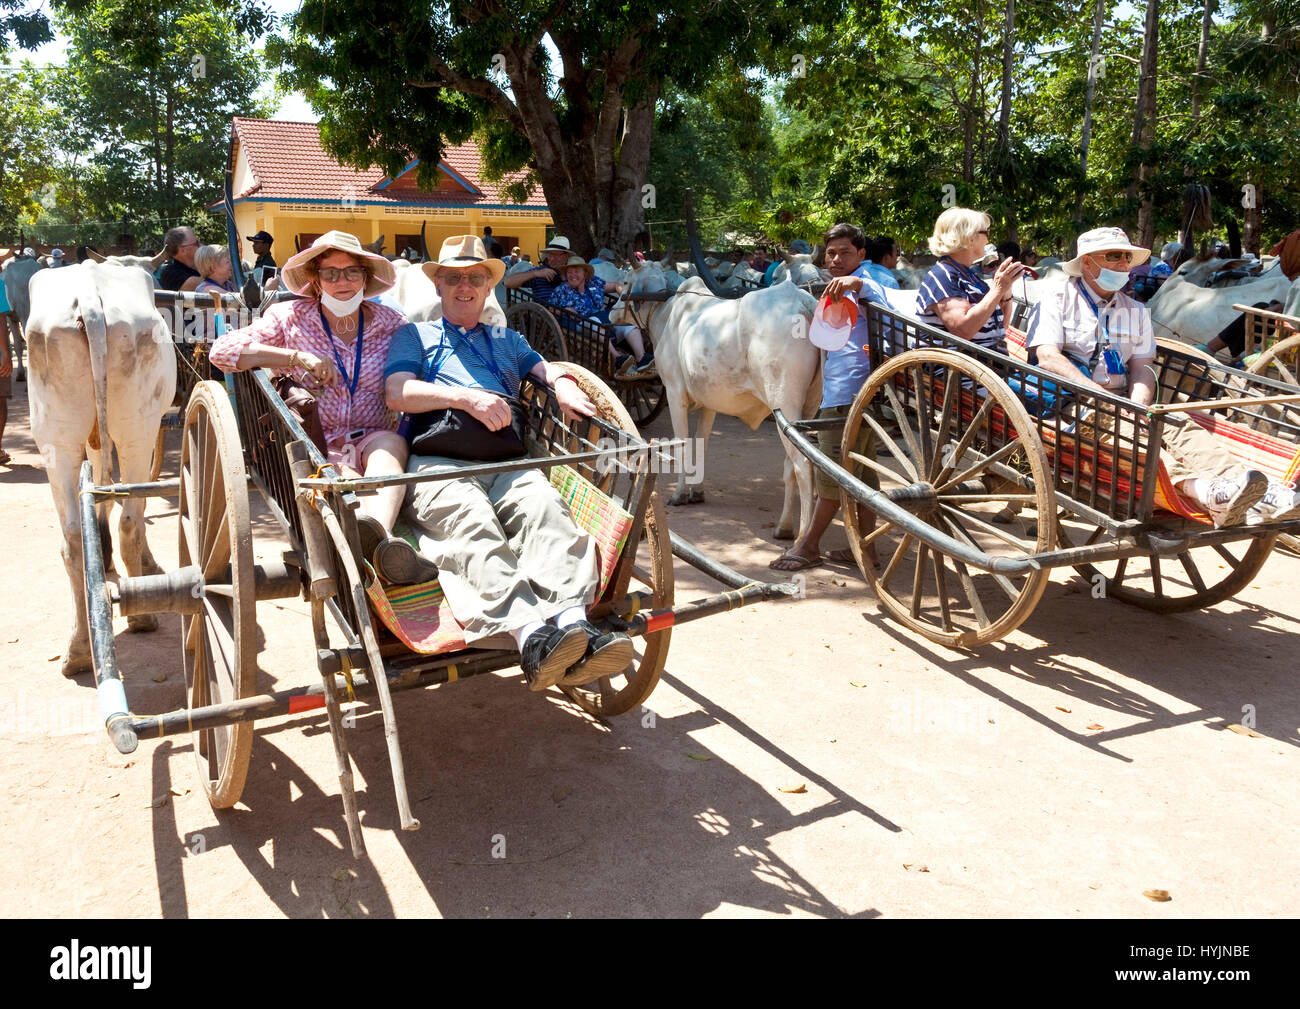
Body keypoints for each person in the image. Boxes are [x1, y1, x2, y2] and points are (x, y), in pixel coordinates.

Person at [384, 235, 635, 691]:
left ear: (487, 287)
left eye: (475, 278)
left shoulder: (507, 337)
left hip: (507, 456)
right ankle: (531, 639)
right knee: (473, 523)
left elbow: (543, 368)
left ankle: (577, 627)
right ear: (438, 285)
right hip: (441, 460)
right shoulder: (415, 335)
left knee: (546, 510)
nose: (465, 287)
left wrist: (562, 383)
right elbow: (397, 392)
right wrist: (466, 398)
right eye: (454, 278)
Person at [1024, 226, 1299, 527]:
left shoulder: (1135, 310)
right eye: (1114, 256)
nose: (1123, 264)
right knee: (1121, 430)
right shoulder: (1056, 300)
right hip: (1068, 401)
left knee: (1178, 423)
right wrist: (1100, 397)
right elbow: (1048, 357)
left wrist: (1138, 405)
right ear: (1087, 262)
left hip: (1121, 399)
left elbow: (1143, 368)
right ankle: (1204, 492)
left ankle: (1259, 490)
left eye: (1127, 257)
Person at [208, 230, 435, 578]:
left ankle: (379, 535)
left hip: (376, 433)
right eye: (330, 273)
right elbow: (222, 352)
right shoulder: (289, 318)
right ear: (315, 280)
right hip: (315, 440)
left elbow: (425, 360)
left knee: (392, 445)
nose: (341, 281)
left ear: (365, 277)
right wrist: (295, 356)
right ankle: (377, 547)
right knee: (339, 478)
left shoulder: (391, 323)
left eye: (351, 272)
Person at [771, 223, 890, 572]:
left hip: (846, 394)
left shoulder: (868, 281)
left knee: (832, 474)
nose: (836, 260)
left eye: (845, 253)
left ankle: (808, 546)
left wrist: (858, 283)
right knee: (862, 476)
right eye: (831, 253)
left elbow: (885, 293)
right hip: (855, 392)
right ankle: (865, 550)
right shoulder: (842, 285)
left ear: (862, 255)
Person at [917, 207, 1024, 349]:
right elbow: (963, 330)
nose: (988, 240)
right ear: (969, 237)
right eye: (986, 232)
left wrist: (1006, 289)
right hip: (958, 366)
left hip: (988, 362)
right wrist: (997, 290)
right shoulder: (943, 275)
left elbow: (1001, 327)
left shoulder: (968, 275)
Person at [547, 254, 654, 373]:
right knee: (594, 321)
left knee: (628, 321)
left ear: (585, 274)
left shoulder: (594, 283)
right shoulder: (561, 290)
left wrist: (624, 296)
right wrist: (566, 310)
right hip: (581, 326)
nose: (572, 275)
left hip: (605, 323)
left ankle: (641, 358)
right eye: (569, 272)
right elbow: (549, 308)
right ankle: (618, 358)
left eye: (576, 271)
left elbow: (615, 285)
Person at [504, 235, 572, 301]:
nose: (551, 258)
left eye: (556, 255)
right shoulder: (540, 271)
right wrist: (535, 273)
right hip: (541, 311)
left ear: (566, 256)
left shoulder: (574, 273)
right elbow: (507, 282)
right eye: (549, 255)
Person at [159, 226, 202, 291]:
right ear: (183, 251)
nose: (201, 245)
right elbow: (209, 285)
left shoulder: (199, 265)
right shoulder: (171, 273)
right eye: (196, 243)